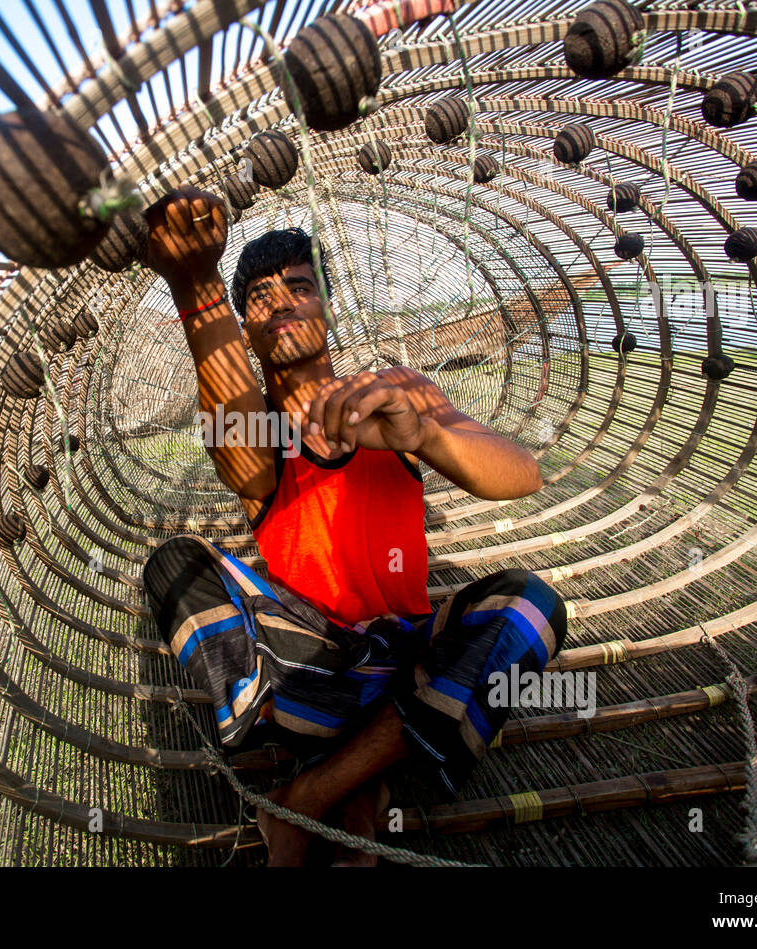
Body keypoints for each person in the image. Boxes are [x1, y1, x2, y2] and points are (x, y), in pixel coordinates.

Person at [140, 185, 567, 865]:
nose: (279, 301)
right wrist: (198, 288)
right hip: (304, 664)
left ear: (328, 308)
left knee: (531, 606)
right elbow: (237, 449)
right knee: (175, 565)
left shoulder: (395, 391)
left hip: (406, 662)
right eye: (257, 297)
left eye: (300, 287)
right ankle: (365, 780)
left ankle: (314, 794)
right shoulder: (259, 425)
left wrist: (422, 433)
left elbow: (519, 474)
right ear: (245, 329)